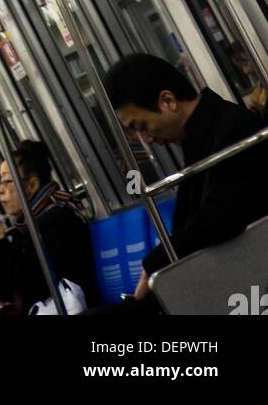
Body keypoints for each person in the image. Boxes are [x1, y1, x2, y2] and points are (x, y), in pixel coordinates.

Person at [105, 53, 268, 303]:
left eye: (142, 126)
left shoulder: (233, 132)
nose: (146, 139)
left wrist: (156, 263)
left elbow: (221, 217)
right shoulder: (202, 138)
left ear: (167, 101)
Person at [0, 140, 99, 314]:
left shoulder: (59, 219)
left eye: (8, 182)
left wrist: (0, 244)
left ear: (32, 185)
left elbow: (31, 282)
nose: (0, 190)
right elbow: (7, 288)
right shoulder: (27, 224)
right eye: (0, 182)